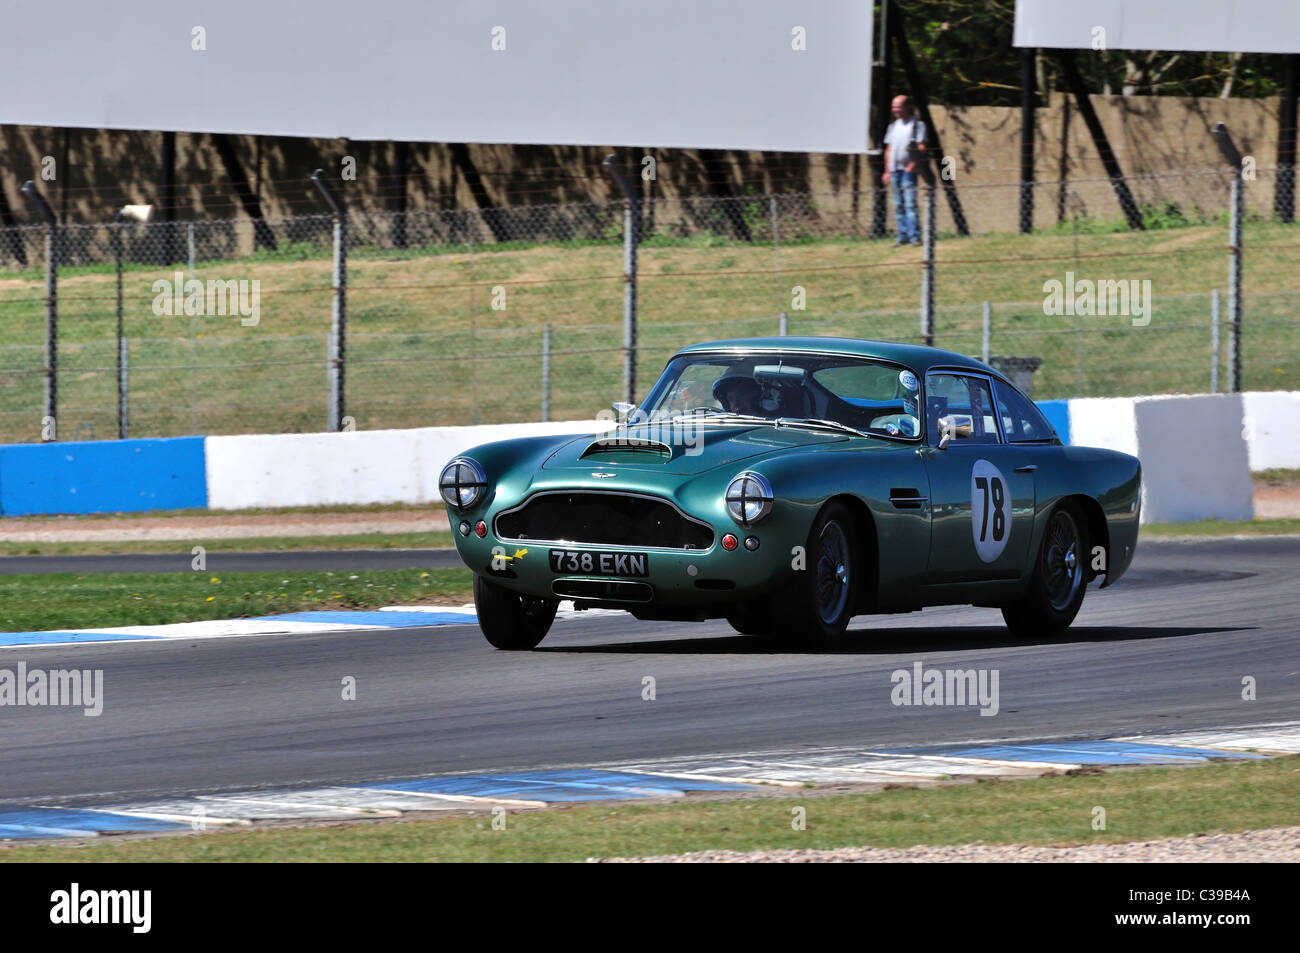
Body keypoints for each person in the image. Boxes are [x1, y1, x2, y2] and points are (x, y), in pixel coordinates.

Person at [881, 94, 926, 246]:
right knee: (898, 205)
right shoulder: (893, 127)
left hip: (908, 171)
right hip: (895, 171)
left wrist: (913, 163)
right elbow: (889, 149)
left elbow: (921, 146)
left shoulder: (917, 125)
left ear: (907, 107)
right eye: (893, 107)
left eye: (898, 107)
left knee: (910, 204)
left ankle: (914, 237)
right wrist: (887, 171)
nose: (895, 110)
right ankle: (902, 236)